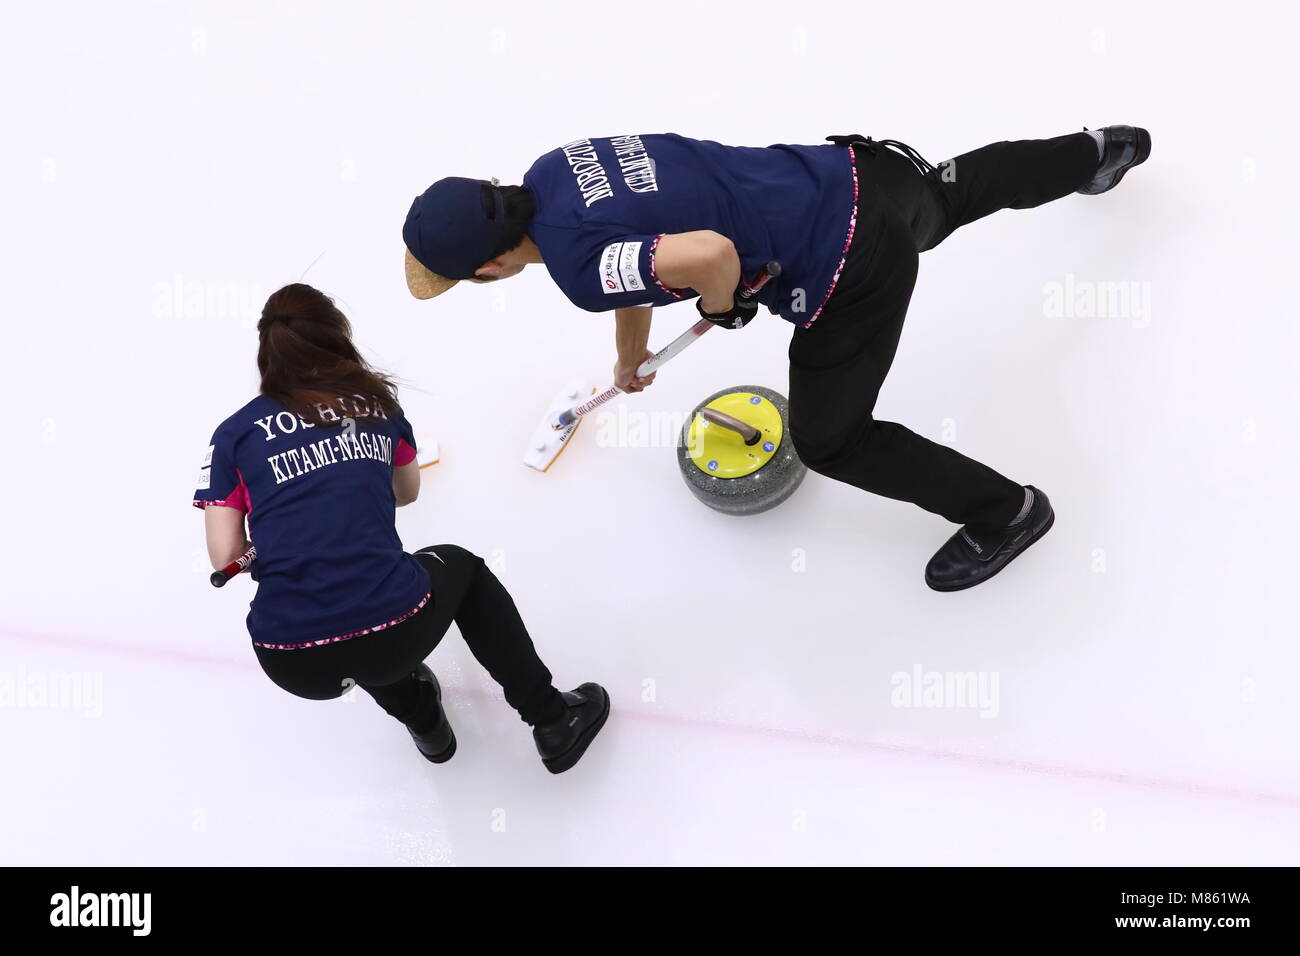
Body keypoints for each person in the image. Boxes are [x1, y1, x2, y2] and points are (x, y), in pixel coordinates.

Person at [400, 126, 1150, 591]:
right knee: (949, 196)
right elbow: (637, 250)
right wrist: (630, 355)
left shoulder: (576, 269)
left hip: (850, 263)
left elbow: (707, 255)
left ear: (490, 271)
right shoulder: (558, 167)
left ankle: (1008, 513)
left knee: (830, 441)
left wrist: (720, 305)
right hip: (848, 175)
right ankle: (1095, 151)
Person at [192, 283, 608, 773]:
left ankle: (424, 721)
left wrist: (281, 533)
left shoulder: (234, 435)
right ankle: (552, 719)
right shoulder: (374, 404)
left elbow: (226, 556)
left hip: (289, 659)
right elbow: (407, 492)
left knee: (353, 617)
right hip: (393, 629)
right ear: (336, 339)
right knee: (459, 572)